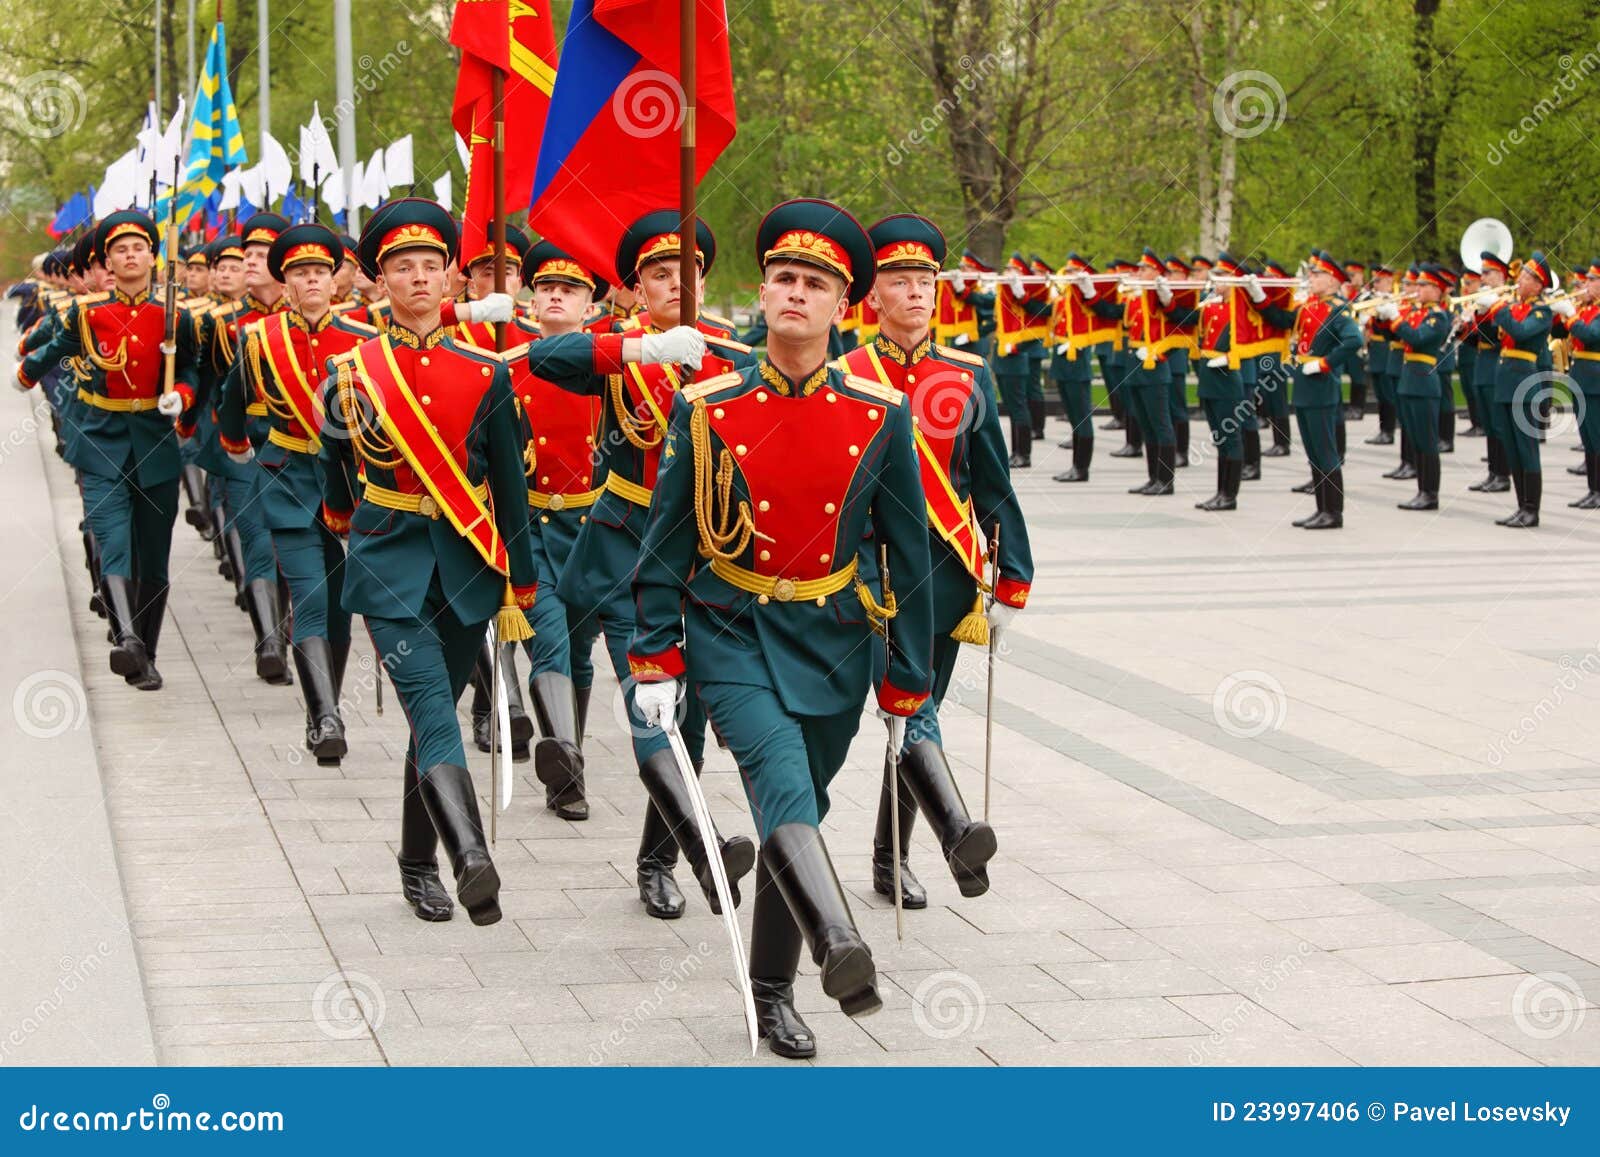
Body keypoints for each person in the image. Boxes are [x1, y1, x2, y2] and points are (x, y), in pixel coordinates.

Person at [628, 198, 934, 1058]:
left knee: (796, 809)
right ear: (761, 295)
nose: (796, 293)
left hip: (835, 635)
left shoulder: (879, 413)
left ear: (844, 306)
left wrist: (908, 682)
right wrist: (654, 656)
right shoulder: (707, 406)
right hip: (734, 628)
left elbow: (907, 560)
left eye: (816, 284)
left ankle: (770, 990)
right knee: (781, 784)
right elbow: (666, 541)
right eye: (784, 279)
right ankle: (839, 945)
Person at [526, 210, 758, 921]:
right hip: (629, 551)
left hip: (709, 560)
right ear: (636, 288)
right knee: (649, 703)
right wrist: (644, 352)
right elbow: (546, 359)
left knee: (687, 725)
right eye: (658, 274)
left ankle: (657, 858)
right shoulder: (620, 349)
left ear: (703, 278)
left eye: (684, 272)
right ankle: (705, 847)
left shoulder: (736, 359)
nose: (673, 283)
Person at [318, 198, 543, 926]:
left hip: (468, 563)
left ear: (451, 277)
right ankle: (470, 855)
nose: (417, 278)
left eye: (429, 266)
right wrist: (345, 520)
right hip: (388, 565)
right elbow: (337, 471)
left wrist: (524, 572)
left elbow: (509, 484)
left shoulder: (485, 371)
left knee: (432, 718)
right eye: (400, 267)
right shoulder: (351, 372)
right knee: (430, 706)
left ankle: (417, 861)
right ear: (378, 280)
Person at [838, 213, 1028, 908]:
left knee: (918, 714)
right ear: (872, 295)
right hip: (864, 582)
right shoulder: (846, 375)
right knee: (888, 715)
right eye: (899, 280)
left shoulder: (968, 376)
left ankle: (894, 859)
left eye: (925, 280)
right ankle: (951, 834)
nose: (916, 292)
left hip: (944, 579)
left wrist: (1012, 581)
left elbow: (993, 487)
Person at [17, 210, 199, 688]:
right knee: (114, 543)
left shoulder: (174, 315)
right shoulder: (88, 312)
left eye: (139, 248)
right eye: (121, 250)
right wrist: (27, 372)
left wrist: (183, 395)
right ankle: (128, 640)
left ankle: (147, 651)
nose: (131, 255)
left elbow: (194, 370)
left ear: (154, 259)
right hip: (101, 438)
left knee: (154, 557)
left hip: (154, 440)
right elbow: (57, 345)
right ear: (108, 263)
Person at [218, 224, 379, 763]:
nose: (310, 282)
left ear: (335, 282)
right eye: (299, 275)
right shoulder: (259, 339)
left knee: (340, 609)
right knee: (309, 596)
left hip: (352, 489)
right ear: (284, 285)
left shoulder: (362, 339)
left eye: (319, 273)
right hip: (288, 480)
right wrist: (238, 444)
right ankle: (326, 715)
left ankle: (323, 701)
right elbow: (232, 401)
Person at [497, 239, 612, 820]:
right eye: (546, 288)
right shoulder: (508, 367)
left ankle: (572, 754)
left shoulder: (613, 368)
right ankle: (566, 774)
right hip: (532, 526)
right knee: (551, 644)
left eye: (570, 289)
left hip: (591, 528)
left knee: (583, 652)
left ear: (590, 305)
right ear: (531, 298)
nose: (556, 296)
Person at [1259, 251, 1363, 529]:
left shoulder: (1338, 309)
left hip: (1320, 386)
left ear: (1332, 280)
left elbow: (1354, 340)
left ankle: (1334, 512)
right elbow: (1281, 321)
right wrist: (1259, 297)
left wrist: (1326, 363)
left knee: (1326, 452)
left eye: (1317, 275)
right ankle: (1321, 509)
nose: (1312, 278)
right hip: (1305, 387)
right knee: (1314, 453)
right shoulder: (1308, 307)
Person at [1165, 255, 1247, 510]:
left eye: (1222, 277)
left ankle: (1229, 495)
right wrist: (1167, 300)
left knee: (1230, 438)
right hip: (1209, 378)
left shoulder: (1242, 309)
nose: (1216, 281)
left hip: (1227, 378)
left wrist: (1229, 357)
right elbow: (1185, 318)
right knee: (1220, 438)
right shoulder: (1210, 305)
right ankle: (1220, 491)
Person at [1484, 252, 1557, 527]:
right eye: (1522, 275)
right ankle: (1520, 506)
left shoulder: (1541, 311)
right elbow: (1493, 336)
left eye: (1527, 277)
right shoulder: (1516, 306)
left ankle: (1532, 509)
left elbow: (1522, 332)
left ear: (1539, 285)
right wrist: (1483, 312)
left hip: (1524, 384)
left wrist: (1500, 308)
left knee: (1526, 449)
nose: (1520, 280)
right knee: (1511, 449)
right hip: (1505, 382)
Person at [1380, 263, 1452, 510]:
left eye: (1423, 285)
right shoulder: (1417, 312)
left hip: (1424, 380)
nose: (1418, 289)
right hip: (1409, 379)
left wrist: (1395, 318)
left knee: (1427, 440)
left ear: (1436, 289)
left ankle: (1430, 493)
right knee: (1416, 439)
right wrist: (1381, 318)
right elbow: (1397, 336)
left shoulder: (1438, 316)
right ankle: (1421, 490)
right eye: (1418, 285)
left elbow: (1417, 338)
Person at [1561, 260, 1600, 508]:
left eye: (1592, 281)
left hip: (1596, 380)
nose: (1586, 285)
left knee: (1597, 437)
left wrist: (1571, 317)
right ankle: (1592, 489)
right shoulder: (1585, 309)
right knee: (1587, 438)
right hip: (1581, 379)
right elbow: (1558, 334)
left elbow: (1592, 335)